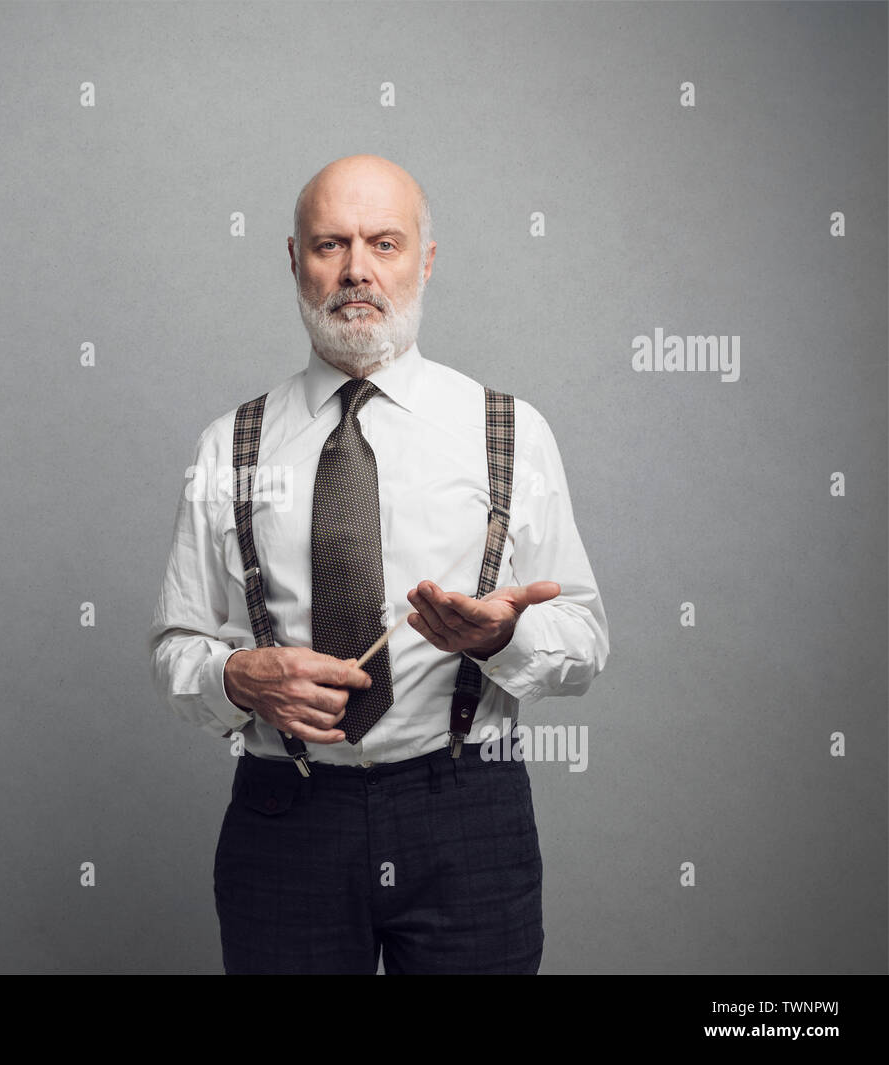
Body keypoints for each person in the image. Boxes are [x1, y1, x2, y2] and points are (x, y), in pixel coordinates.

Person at [147, 153, 609, 974]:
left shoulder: (510, 431)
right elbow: (175, 648)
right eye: (330, 244)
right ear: (296, 260)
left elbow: (585, 642)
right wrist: (236, 679)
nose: (356, 269)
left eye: (384, 243)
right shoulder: (229, 446)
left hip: (466, 815)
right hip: (287, 817)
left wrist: (503, 639)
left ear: (425, 260)